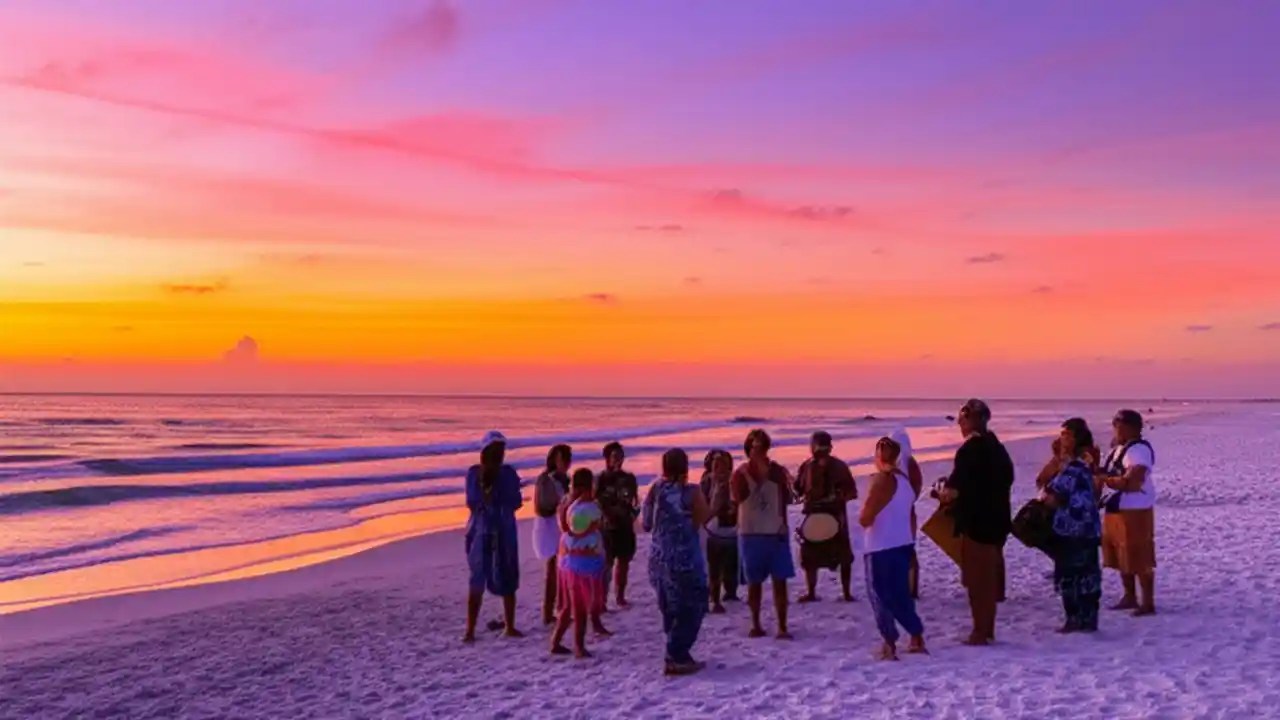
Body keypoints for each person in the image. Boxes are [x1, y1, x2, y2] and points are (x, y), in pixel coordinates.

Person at [936, 399, 1014, 646]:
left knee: (977, 582)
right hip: (997, 520)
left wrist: (941, 493)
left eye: (962, 420)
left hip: (977, 523)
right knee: (987, 581)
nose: (960, 424)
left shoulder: (970, 450)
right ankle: (986, 629)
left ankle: (980, 632)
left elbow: (957, 490)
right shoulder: (997, 447)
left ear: (972, 420)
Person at [643, 448, 712, 675]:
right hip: (684, 560)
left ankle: (676, 651)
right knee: (694, 606)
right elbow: (703, 518)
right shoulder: (691, 492)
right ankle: (676, 654)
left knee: (670, 606)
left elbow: (645, 523)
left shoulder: (655, 489)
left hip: (658, 559)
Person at [860, 436, 927, 660]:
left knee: (879, 594)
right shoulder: (905, 482)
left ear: (878, 457)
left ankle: (889, 642)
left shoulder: (882, 480)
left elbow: (866, 517)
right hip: (902, 543)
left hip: (881, 546)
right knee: (900, 594)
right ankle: (916, 635)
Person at [732, 428, 796, 639]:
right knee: (754, 583)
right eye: (755, 447)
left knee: (780, 582)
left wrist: (784, 524)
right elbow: (738, 497)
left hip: (775, 530)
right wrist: (756, 475)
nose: (759, 451)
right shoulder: (740, 473)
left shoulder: (777, 471)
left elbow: (786, 499)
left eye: (762, 447)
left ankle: (782, 626)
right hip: (750, 532)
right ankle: (756, 623)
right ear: (748, 449)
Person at [1042, 418, 1103, 633]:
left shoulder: (1074, 467)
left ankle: (1075, 620)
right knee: (1088, 574)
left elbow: (1052, 495)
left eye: (1066, 434)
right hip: (1088, 527)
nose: (1062, 438)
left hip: (1072, 528)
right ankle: (1088, 620)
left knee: (1071, 576)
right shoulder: (1088, 463)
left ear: (1075, 438)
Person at [462, 431, 524, 643]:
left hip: (496, 529)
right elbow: (474, 501)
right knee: (481, 577)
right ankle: (473, 629)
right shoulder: (477, 474)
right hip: (486, 530)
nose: (501, 453)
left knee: (503, 575)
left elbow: (514, 501)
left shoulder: (504, 474)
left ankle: (505, 626)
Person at [1097, 409, 1158, 616]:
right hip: (1118, 506)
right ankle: (1130, 596)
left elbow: (1133, 481)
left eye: (1119, 426)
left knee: (1139, 555)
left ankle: (1147, 602)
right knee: (1122, 553)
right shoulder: (1120, 448)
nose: (1116, 429)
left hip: (1135, 508)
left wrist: (1106, 480)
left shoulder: (1138, 451)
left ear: (1131, 427)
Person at [550, 468, 611, 658]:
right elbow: (583, 529)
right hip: (582, 565)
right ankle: (579, 646)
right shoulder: (587, 508)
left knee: (569, 606)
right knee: (580, 608)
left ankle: (556, 642)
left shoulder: (567, 504)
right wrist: (594, 526)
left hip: (567, 562)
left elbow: (569, 531)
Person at [793, 431, 857, 603]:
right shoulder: (806, 467)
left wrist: (837, 496)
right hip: (814, 516)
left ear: (829, 447)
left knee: (843, 557)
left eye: (822, 446)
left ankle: (846, 593)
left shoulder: (839, 467)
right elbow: (797, 490)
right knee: (809, 557)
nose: (819, 450)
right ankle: (812, 592)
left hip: (836, 516)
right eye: (816, 445)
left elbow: (852, 492)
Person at [595, 442, 640, 608]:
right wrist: (607, 516)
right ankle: (602, 600)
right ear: (607, 458)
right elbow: (596, 501)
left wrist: (633, 515)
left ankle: (620, 596)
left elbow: (635, 501)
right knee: (606, 564)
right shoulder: (601, 478)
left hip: (625, 525)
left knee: (624, 561)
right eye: (615, 456)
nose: (619, 460)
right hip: (607, 527)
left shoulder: (629, 478)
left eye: (621, 456)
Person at [534, 444, 573, 625]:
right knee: (551, 569)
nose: (564, 463)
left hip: (562, 525)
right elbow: (541, 507)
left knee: (563, 569)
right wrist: (560, 505)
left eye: (566, 459)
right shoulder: (545, 479)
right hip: (548, 526)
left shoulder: (565, 479)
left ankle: (560, 608)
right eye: (561, 459)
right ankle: (547, 612)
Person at [699, 449, 740, 612]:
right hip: (712, 529)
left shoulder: (735, 480)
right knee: (714, 565)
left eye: (723, 465)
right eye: (716, 465)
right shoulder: (707, 481)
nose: (720, 469)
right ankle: (714, 598)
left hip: (732, 529)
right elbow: (701, 502)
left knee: (732, 562)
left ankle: (731, 592)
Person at [888, 427, 924, 599]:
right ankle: (910, 588)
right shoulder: (910, 462)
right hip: (906, 510)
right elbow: (917, 487)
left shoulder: (899, 463)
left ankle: (908, 588)